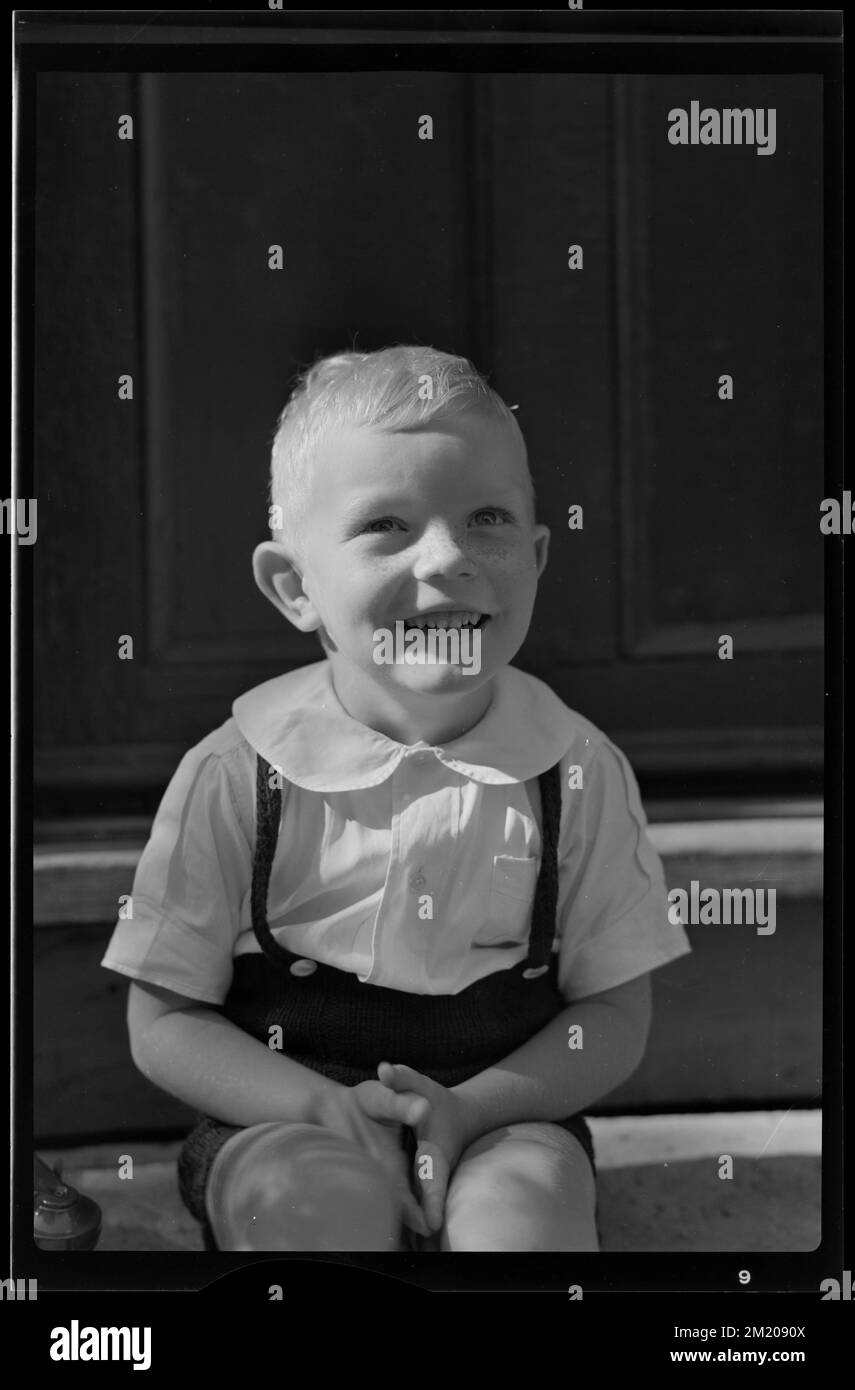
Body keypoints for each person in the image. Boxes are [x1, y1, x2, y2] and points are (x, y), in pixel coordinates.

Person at [101, 345, 691, 1252]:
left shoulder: (577, 769)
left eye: (486, 517)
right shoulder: (237, 771)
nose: (449, 558)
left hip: (501, 1114)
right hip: (285, 1116)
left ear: (535, 557)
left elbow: (611, 1015)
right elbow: (164, 1020)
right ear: (295, 587)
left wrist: (465, 1112)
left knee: (522, 1221)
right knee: (314, 1213)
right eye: (386, 525)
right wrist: (325, 1110)